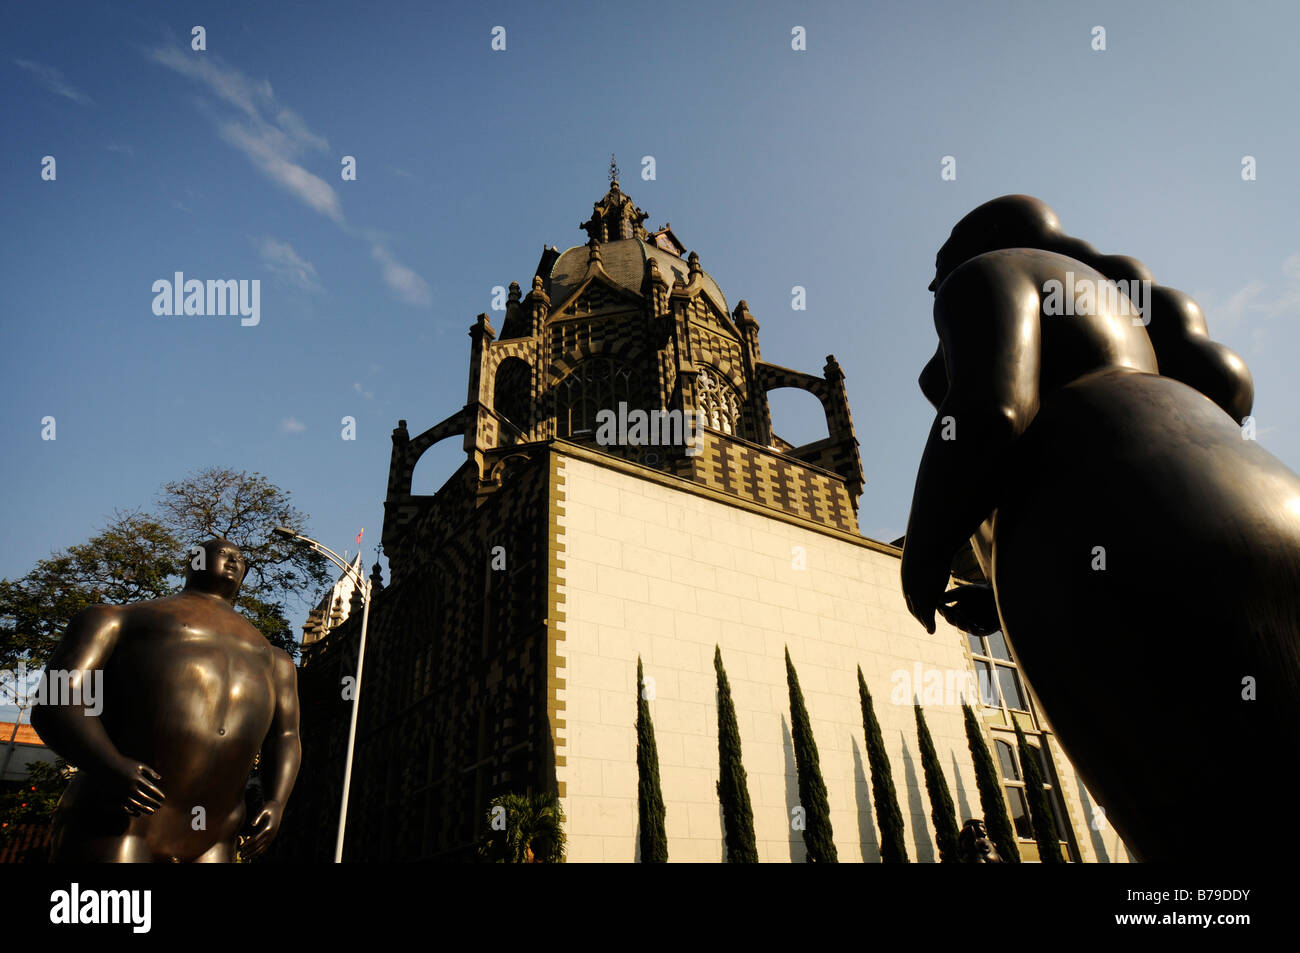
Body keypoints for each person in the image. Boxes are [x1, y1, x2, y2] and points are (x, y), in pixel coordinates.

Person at [901, 196, 1300, 862]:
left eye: (940, 262)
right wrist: (997, 595)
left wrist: (924, 555)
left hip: (1117, 517)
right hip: (1261, 501)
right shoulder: (1120, 312)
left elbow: (991, 410)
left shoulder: (992, 273)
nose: (933, 283)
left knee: (1192, 831)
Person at [32, 538, 300, 862]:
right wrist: (111, 765)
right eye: (222, 554)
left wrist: (276, 802)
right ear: (193, 563)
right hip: (122, 817)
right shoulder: (116, 619)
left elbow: (285, 737)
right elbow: (55, 700)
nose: (233, 560)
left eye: (240, 558)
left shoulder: (275, 661)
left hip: (215, 834)